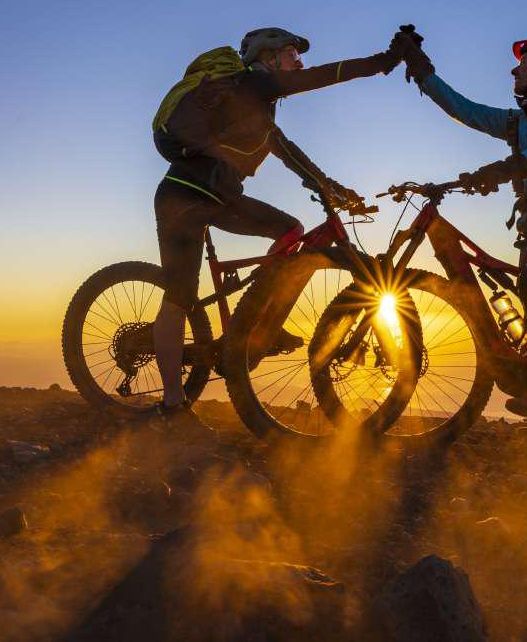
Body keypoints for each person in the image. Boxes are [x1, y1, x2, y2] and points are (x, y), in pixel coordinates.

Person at [150, 27, 402, 430]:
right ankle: (178, 395)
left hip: (202, 198)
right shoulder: (251, 84)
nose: (297, 63)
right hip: (186, 197)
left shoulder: (259, 115)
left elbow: (296, 160)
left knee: (288, 230)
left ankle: (254, 325)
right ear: (268, 59)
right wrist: (381, 63)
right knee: (180, 297)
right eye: (290, 55)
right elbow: (321, 76)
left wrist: (335, 191)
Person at [396, 31, 527, 423]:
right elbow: (466, 110)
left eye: (523, 64)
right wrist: (423, 73)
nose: (514, 70)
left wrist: (515, 165)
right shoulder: (520, 122)